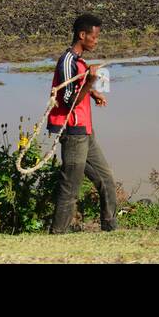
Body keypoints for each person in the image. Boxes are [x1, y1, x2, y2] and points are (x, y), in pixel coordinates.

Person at [47, 13, 117, 234]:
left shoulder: (80, 62)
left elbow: (78, 89)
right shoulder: (67, 61)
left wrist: (93, 92)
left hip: (86, 132)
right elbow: (68, 101)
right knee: (70, 187)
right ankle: (57, 233)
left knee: (106, 178)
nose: (96, 41)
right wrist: (91, 82)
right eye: (94, 37)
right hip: (74, 133)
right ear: (82, 35)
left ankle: (110, 227)